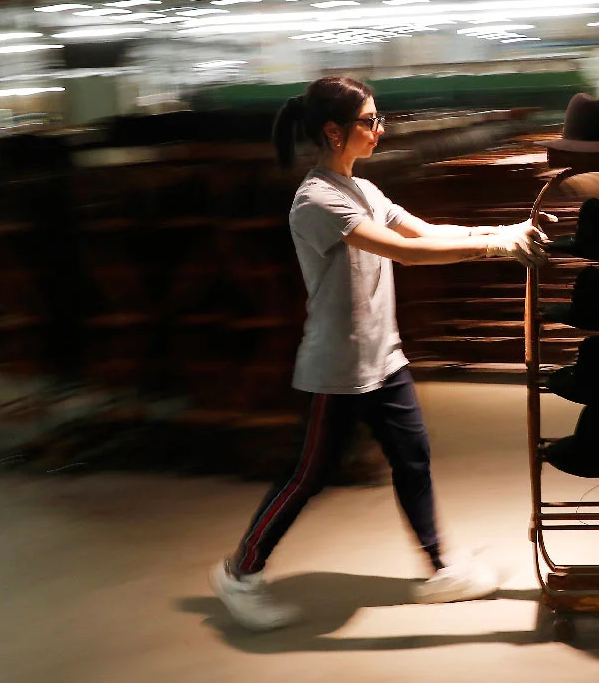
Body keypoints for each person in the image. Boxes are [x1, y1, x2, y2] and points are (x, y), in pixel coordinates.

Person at [210, 76, 549, 632]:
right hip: (337, 369)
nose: (380, 129)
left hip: (384, 360)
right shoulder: (316, 200)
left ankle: (441, 569)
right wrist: (495, 245)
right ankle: (240, 572)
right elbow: (403, 253)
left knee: (412, 459)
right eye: (370, 121)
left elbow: (426, 231)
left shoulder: (363, 190)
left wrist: (503, 231)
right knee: (306, 477)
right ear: (333, 131)